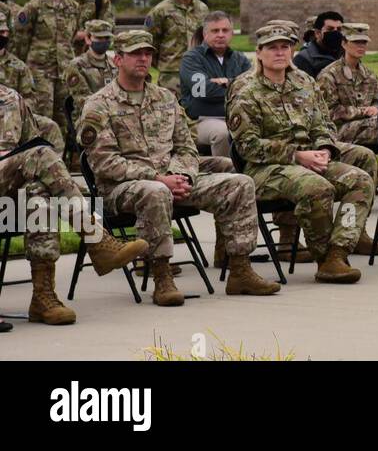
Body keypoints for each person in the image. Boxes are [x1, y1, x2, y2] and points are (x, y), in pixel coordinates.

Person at [77, 29, 280, 305]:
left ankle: (240, 269)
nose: (143, 59)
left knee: (240, 183)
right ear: (118, 60)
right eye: (136, 53)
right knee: (155, 191)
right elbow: (104, 163)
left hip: (174, 179)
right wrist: (158, 177)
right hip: (121, 189)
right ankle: (161, 276)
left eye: (148, 53)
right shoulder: (99, 105)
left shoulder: (165, 99)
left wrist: (179, 175)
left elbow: (186, 147)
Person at [226, 23, 376, 283]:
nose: (280, 52)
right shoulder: (245, 89)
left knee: (360, 180)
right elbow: (247, 147)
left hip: (310, 159)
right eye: (272, 48)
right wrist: (296, 155)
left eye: (285, 47)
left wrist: (324, 149)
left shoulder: (304, 81)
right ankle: (323, 256)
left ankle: (338, 253)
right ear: (259, 52)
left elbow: (324, 124)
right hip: (265, 169)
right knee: (316, 187)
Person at [0, 84, 148, 327]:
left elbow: (30, 144)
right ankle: (98, 240)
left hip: (7, 196)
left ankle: (43, 297)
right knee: (41, 155)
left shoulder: (10, 98)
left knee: (39, 196)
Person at [11, 0, 80, 150]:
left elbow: (72, 36)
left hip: (65, 70)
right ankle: (41, 157)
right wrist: (27, 66)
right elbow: (21, 40)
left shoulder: (73, 7)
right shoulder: (33, 7)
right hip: (40, 71)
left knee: (65, 117)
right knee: (42, 117)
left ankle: (60, 160)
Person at [179, 11, 251, 160]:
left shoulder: (240, 59)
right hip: (200, 120)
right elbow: (203, 90)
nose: (220, 34)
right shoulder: (191, 58)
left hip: (237, 117)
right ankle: (225, 177)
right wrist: (237, 84)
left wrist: (227, 82)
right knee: (222, 133)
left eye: (225, 30)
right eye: (215, 30)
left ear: (231, 33)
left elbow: (253, 88)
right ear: (205, 34)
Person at [145, 0, 209, 96]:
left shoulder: (203, 9)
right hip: (171, 76)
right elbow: (149, 43)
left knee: (196, 113)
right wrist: (165, 65)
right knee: (170, 112)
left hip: (198, 72)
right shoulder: (160, 11)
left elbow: (207, 39)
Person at [314, 22, 378, 145]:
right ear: (344, 43)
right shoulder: (329, 75)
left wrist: (375, 108)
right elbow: (328, 112)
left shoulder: (370, 76)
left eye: (364, 42)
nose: (361, 46)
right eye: (355, 42)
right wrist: (363, 111)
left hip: (367, 125)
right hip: (336, 130)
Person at [62, 19, 115, 126]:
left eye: (107, 38)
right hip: (88, 119)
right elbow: (83, 100)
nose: (104, 41)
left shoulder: (114, 64)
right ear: (88, 39)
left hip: (113, 115)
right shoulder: (77, 66)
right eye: (99, 38)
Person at [293, 11, 345, 78]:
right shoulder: (303, 59)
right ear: (317, 33)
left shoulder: (346, 54)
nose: (335, 33)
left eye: (339, 29)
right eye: (330, 29)